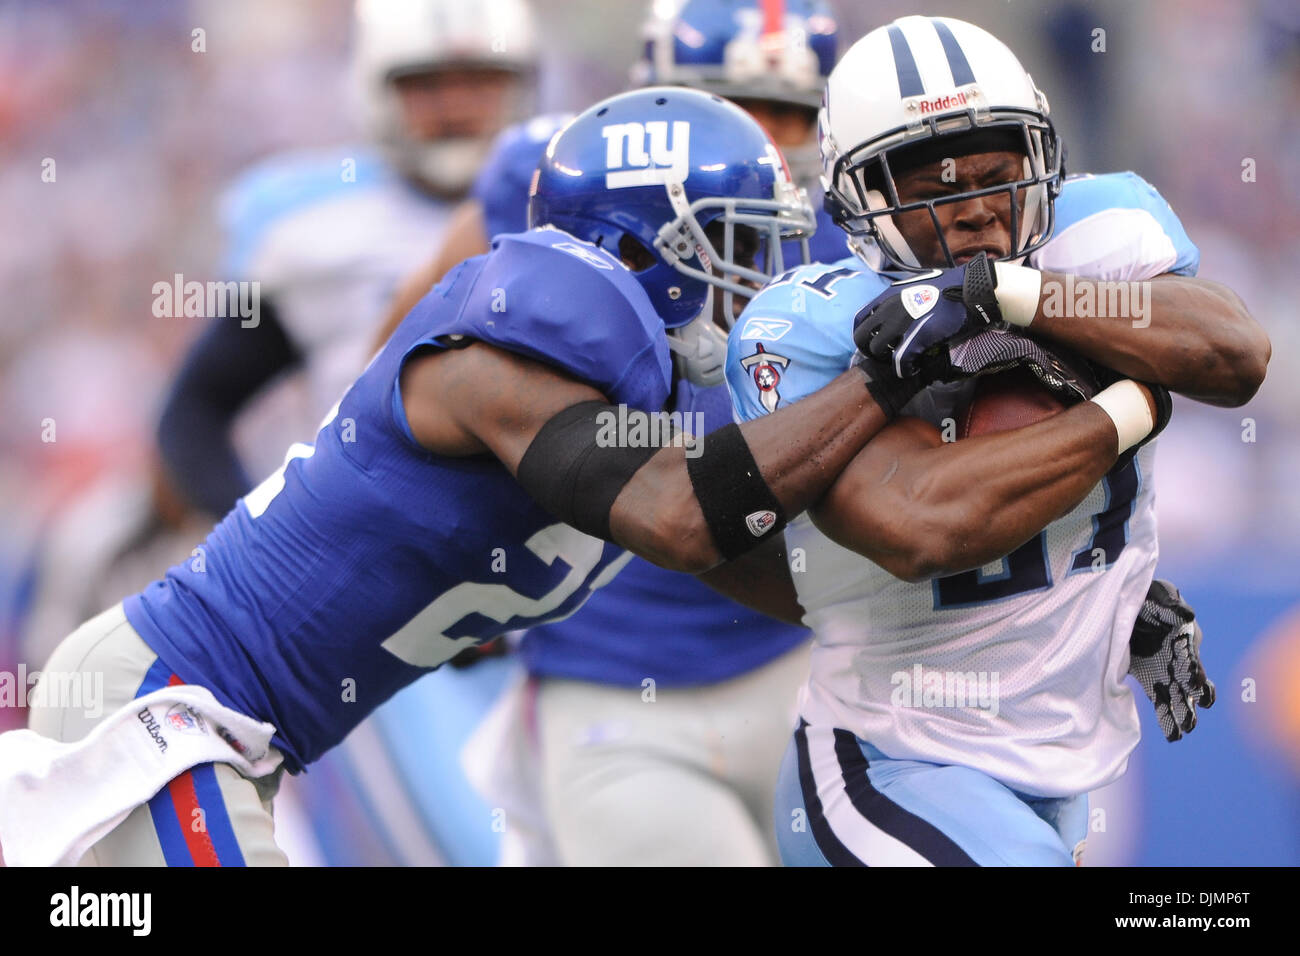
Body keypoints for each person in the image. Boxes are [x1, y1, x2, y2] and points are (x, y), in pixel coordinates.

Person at [4, 87, 962, 867]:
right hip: (169, 697)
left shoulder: (623, 403)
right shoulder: (493, 365)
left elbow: (757, 570)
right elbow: (684, 518)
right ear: (640, 247)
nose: (760, 275)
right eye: (737, 241)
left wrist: (958, 601)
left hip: (241, 734)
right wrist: (886, 375)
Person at [723, 15, 1269, 866]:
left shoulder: (1103, 226)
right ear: (858, 199)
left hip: (1066, 764)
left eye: (995, 170)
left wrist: (1006, 293)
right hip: (893, 761)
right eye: (934, 185)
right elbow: (923, 527)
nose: (975, 205)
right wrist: (1137, 404)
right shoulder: (807, 322)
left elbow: (1234, 356)